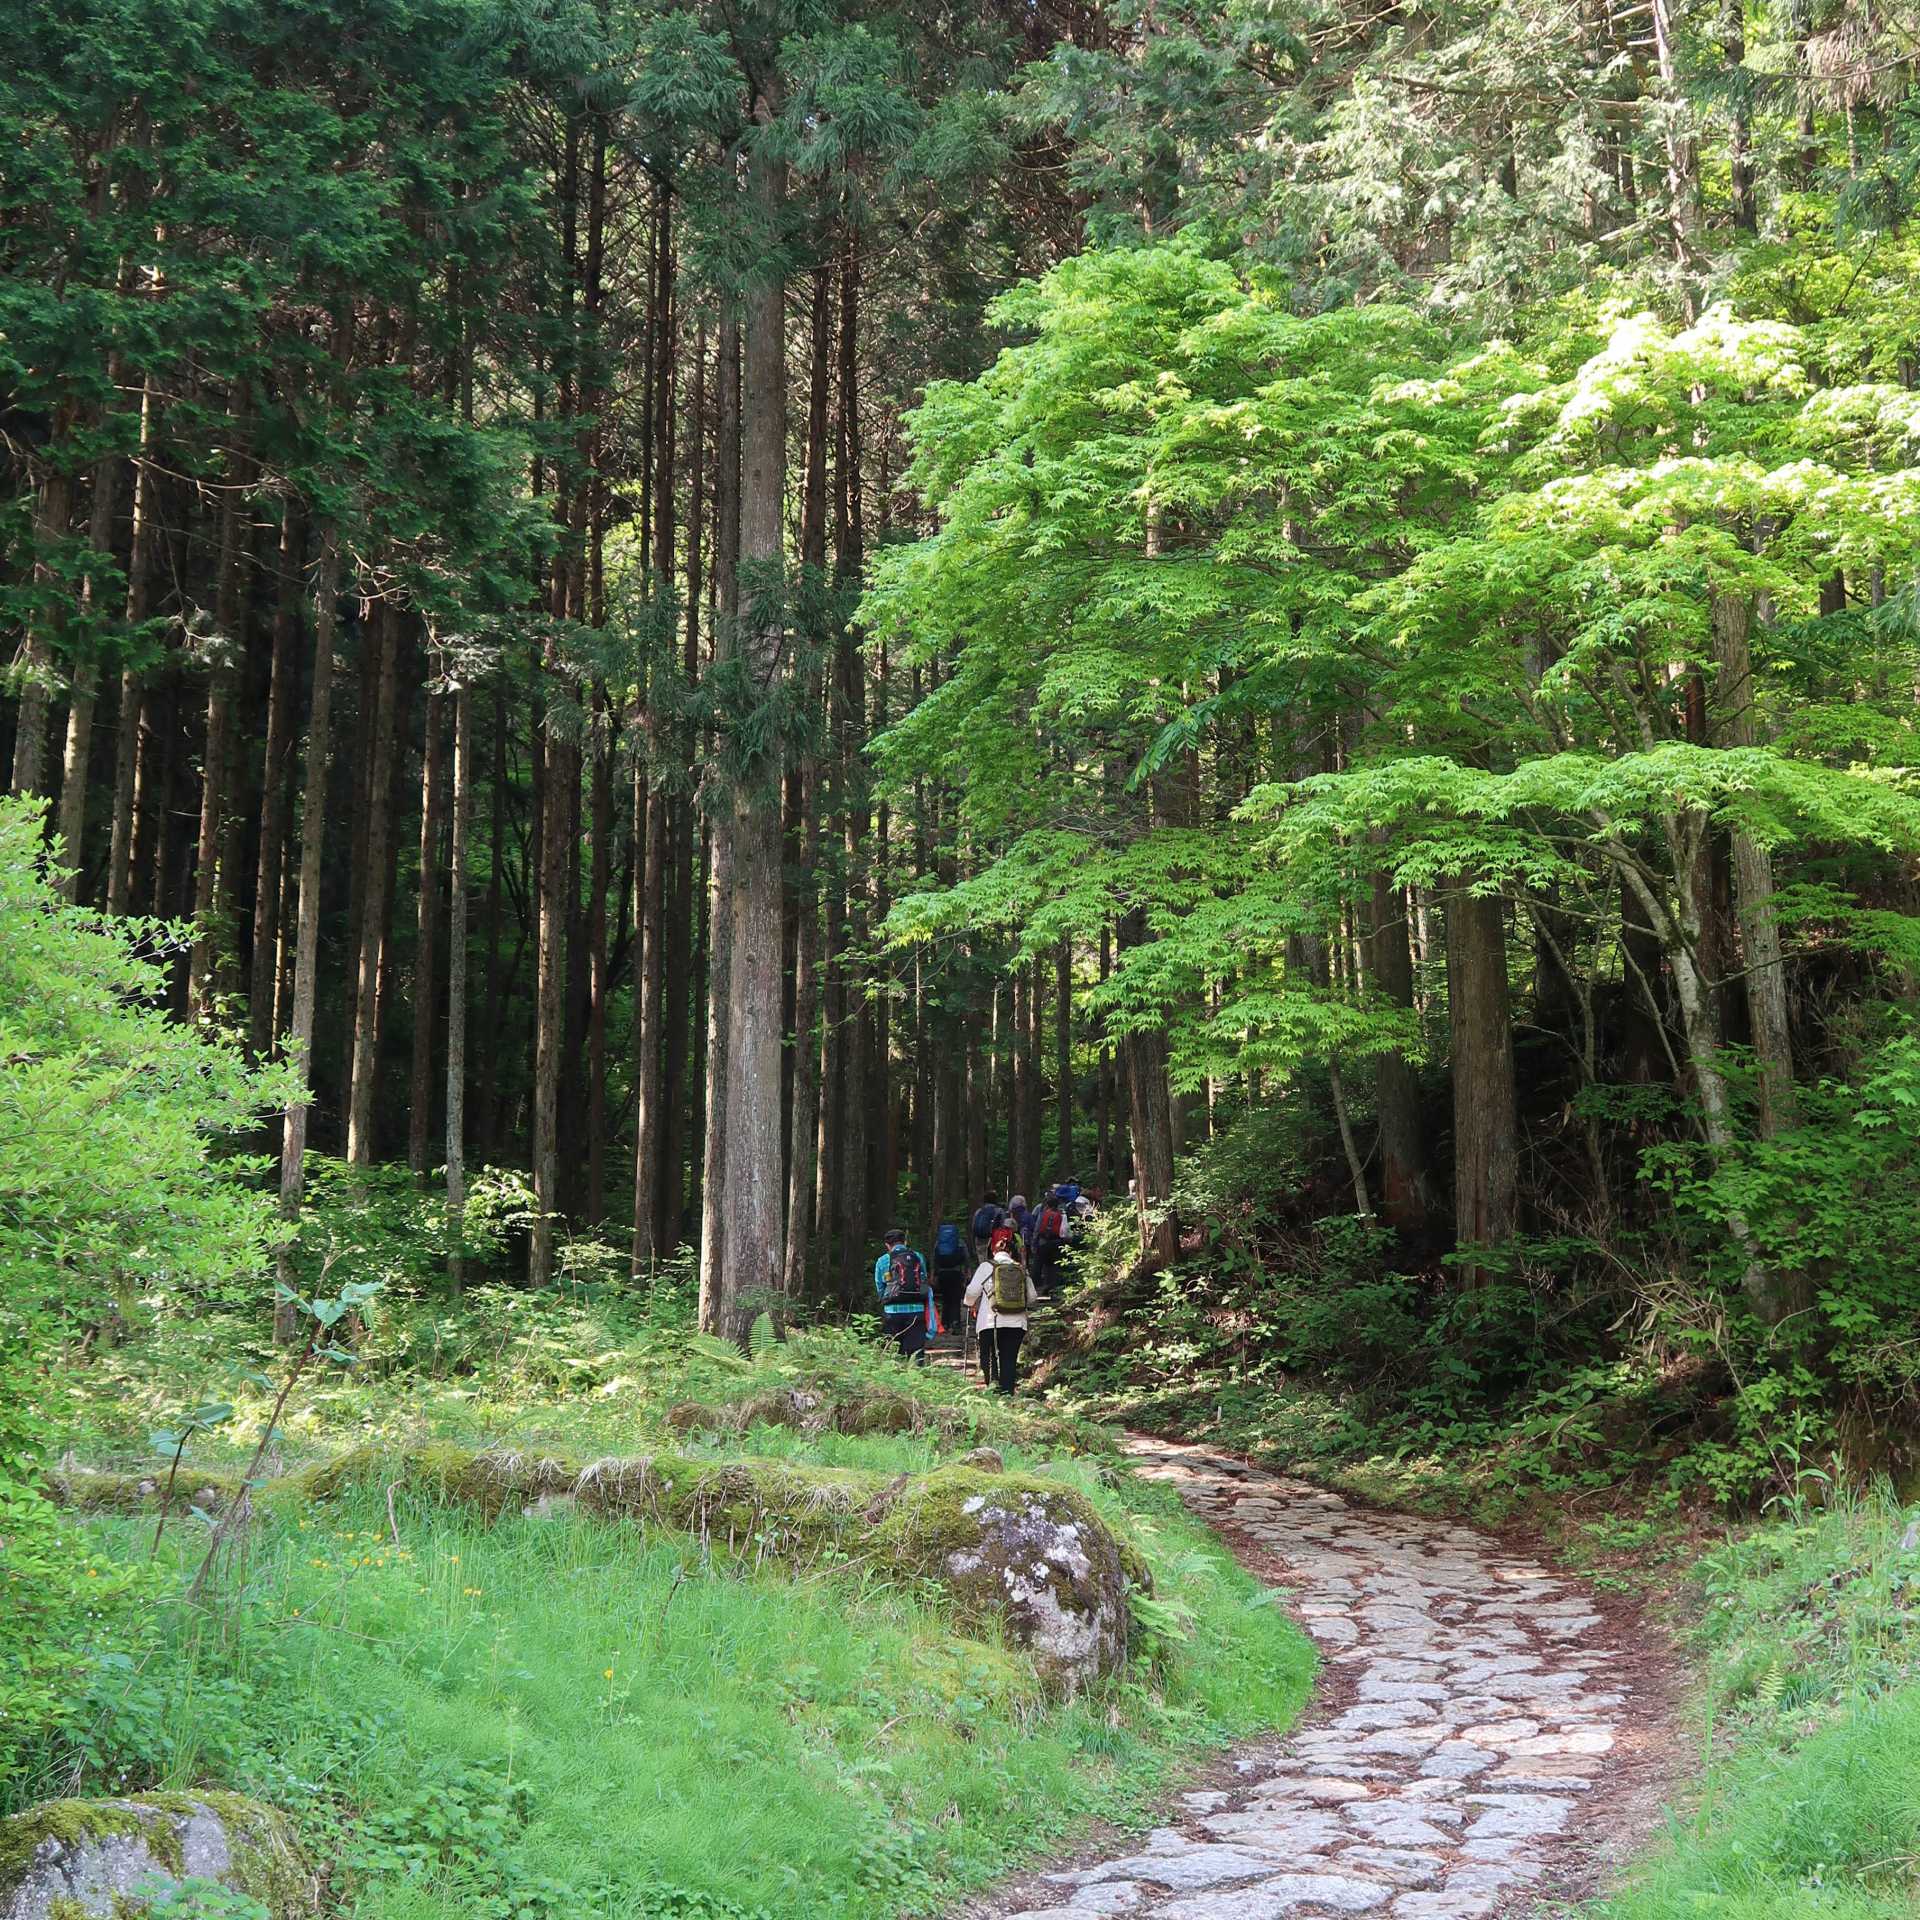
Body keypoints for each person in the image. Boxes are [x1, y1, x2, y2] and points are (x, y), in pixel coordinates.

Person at [983, 1234, 1041, 1395]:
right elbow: (1033, 1297)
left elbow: (976, 1291)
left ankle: (994, 1391)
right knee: (1009, 1358)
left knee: (993, 1356)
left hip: (994, 1320)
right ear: (1012, 1252)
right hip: (1017, 1321)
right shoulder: (1021, 1269)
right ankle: (1007, 1393)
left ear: (994, 1250)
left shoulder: (989, 1267)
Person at [873, 1229, 934, 1364]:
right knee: (916, 1355)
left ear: (887, 1245)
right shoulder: (918, 1257)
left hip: (892, 1313)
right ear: (905, 1242)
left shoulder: (882, 1261)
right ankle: (918, 1381)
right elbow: (924, 1282)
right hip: (916, 1312)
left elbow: (880, 1288)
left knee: (893, 1356)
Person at [963, 1247, 998, 1386]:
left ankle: (990, 1383)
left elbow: (972, 1291)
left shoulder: (985, 1267)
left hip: (988, 1319)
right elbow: (1031, 1297)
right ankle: (1006, 1389)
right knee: (1007, 1355)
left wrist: (969, 1303)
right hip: (1014, 1321)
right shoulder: (1018, 1267)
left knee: (986, 1352)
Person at [932, 1219, 968, 1337]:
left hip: (942, 1274)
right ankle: (956, 1324)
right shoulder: (960, 1242)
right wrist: (967, 1273)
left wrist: (934, 1275)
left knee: (945, 1299)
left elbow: (934, 1259)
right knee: (955, 1299)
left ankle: (944, 1324)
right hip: (956, 1273)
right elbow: (966, 1258)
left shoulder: (939, 1242)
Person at [1031, 1187, 1070, 1297]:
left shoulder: (1043, 1213)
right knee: (1053, 1267)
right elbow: (1065, 1230)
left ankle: (1034, 1289)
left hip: (1043, 1242)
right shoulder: (1062, 1214)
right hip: (1056, 1243)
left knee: (1038, 1265)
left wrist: (1034, 1243)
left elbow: (1037, 1229)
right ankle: (1052, 1290)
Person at [969, 1191, 1007, 1259]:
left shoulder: (979, 1211)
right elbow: (1003, 1226)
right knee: (992, 1261)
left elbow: (973, 1226)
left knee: (982, 1260)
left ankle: (982, 1268)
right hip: (993, 1239)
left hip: (979, 1238)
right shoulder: (999, 1211)